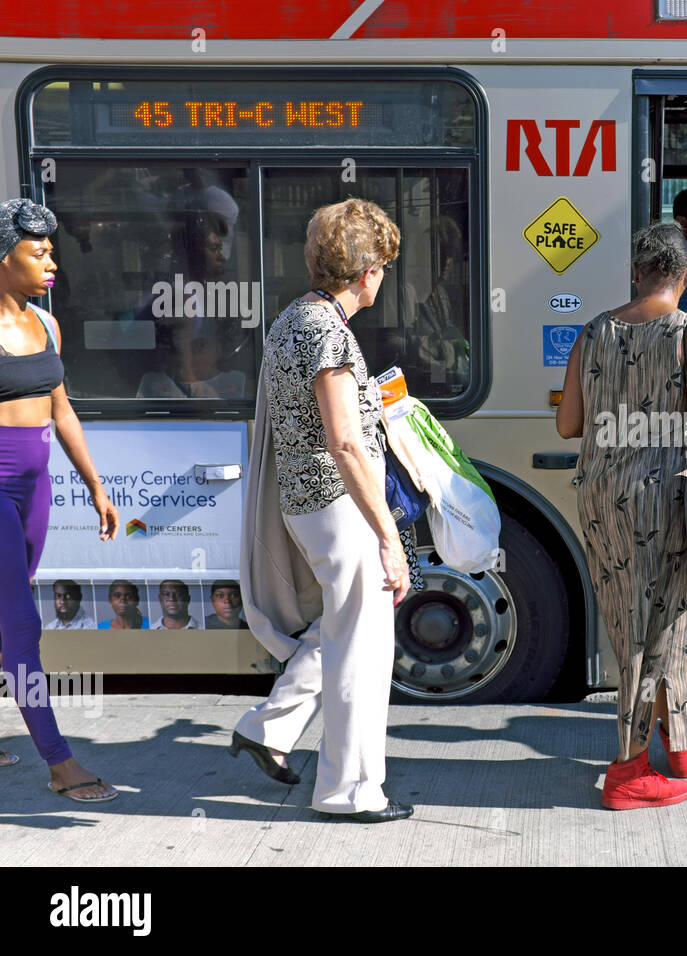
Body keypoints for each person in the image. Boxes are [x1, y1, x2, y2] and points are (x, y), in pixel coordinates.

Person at [232, 198, 413, 823]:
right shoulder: (328, 332)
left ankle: (268, 726)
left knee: (339, 633)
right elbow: (343, 440)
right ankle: (351, 791)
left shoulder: (293, 320)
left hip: (310, 503)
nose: (384, 277)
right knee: (362, 653)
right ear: (366, 271)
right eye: (383, 265)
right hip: (340, 505)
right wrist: (388, 535)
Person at [557, 222, 687, 809]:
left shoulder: (594, 331)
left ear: (636, 272)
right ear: (685, 276)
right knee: (676, 618)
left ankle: (680, 746)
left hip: (604, 495)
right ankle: (630, 771)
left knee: (634, 621)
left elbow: (569, 425)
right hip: (671, 495)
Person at [0, 197, 120, 801]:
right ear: (3, 257)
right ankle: (59, 762)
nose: (51, 263)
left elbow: (61, 407)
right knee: (21, 624)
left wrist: (95, 484)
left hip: (34, 488)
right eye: (37, 252)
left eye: (52, 252)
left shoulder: (46, 324)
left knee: (3, 619)